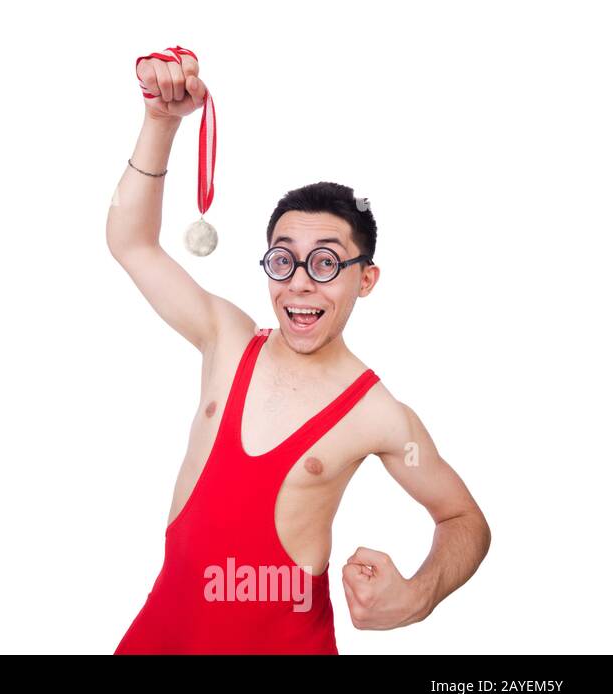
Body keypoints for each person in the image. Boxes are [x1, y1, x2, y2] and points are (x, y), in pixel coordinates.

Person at [109, 48, 490, 653]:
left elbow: (465, 520)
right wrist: (161, 122)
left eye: (326, 263)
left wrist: (419, 594)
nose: (301, 284)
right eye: (284, 260)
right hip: (163, 634)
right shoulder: (226, 340)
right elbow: (131, 242)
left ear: (365, 279)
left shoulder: (379, 415)